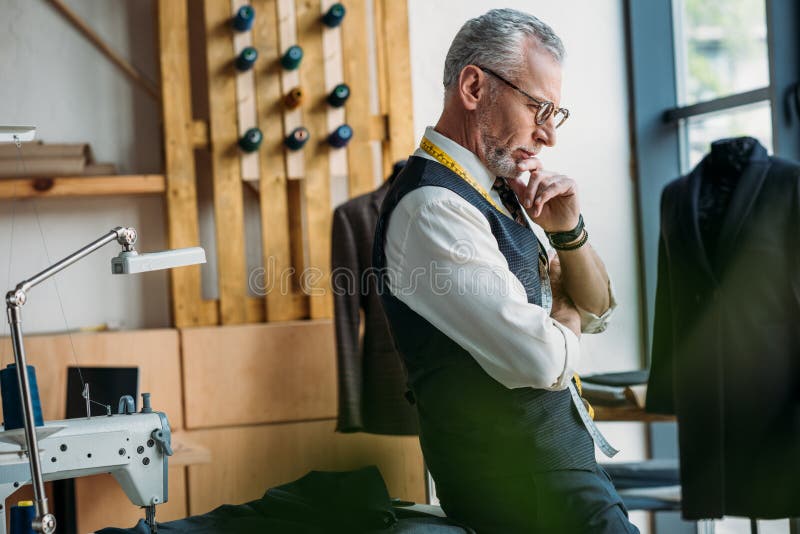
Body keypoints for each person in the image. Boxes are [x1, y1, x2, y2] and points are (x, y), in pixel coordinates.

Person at [372, 8, 638, 533]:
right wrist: (562, 309)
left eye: (555, 114)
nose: (548, 137)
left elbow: (600, 306)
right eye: (538, 107)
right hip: (521, 489)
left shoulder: (497, 192)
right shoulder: (434, 207)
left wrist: (568, 230)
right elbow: (542, 359)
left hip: (554, 477)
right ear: (474, 87)